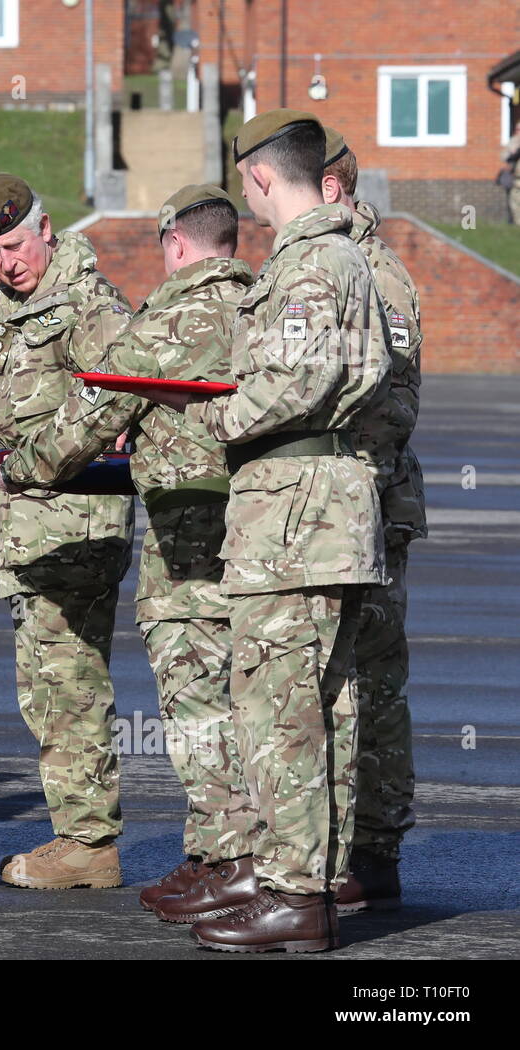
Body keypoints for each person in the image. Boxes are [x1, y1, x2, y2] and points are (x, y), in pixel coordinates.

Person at [140, 110, 390, 953]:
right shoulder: (344, 253)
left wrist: (209, 415)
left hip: (294, 509)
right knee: (321, 704)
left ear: (254, 177)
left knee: (279, 708)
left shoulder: (312, 260)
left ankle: (294, 893)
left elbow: (299, 379)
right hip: (322, 503)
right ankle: (306, 885)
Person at [0, 184, 257, 918]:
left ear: (175, 243)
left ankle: (224, 859)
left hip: (188, 551)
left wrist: (25, 466)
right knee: (266, 707)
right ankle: (286, 857)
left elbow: (92, 414)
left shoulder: (169, 317)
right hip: (273, 541)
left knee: (198, 707)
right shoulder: (268, 308)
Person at [0, 173, 135, 890]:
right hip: (34, 527)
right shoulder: (22, 306)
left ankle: (88, 843)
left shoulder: (85, 304)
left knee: (68, 683)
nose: (5, 262)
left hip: (74, 527)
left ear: (45, 228)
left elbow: (118, 400)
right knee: (48, 684)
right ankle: (80, 834)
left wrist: (38, 461)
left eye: (12, 244)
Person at [322, 127, 426, 914]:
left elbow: (388, 409)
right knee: (352, 678)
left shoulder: (375, 276)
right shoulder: (333, 266)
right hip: (344, 502)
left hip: (370, 504)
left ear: (329, 188)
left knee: (371, 682)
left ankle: (374, 846)